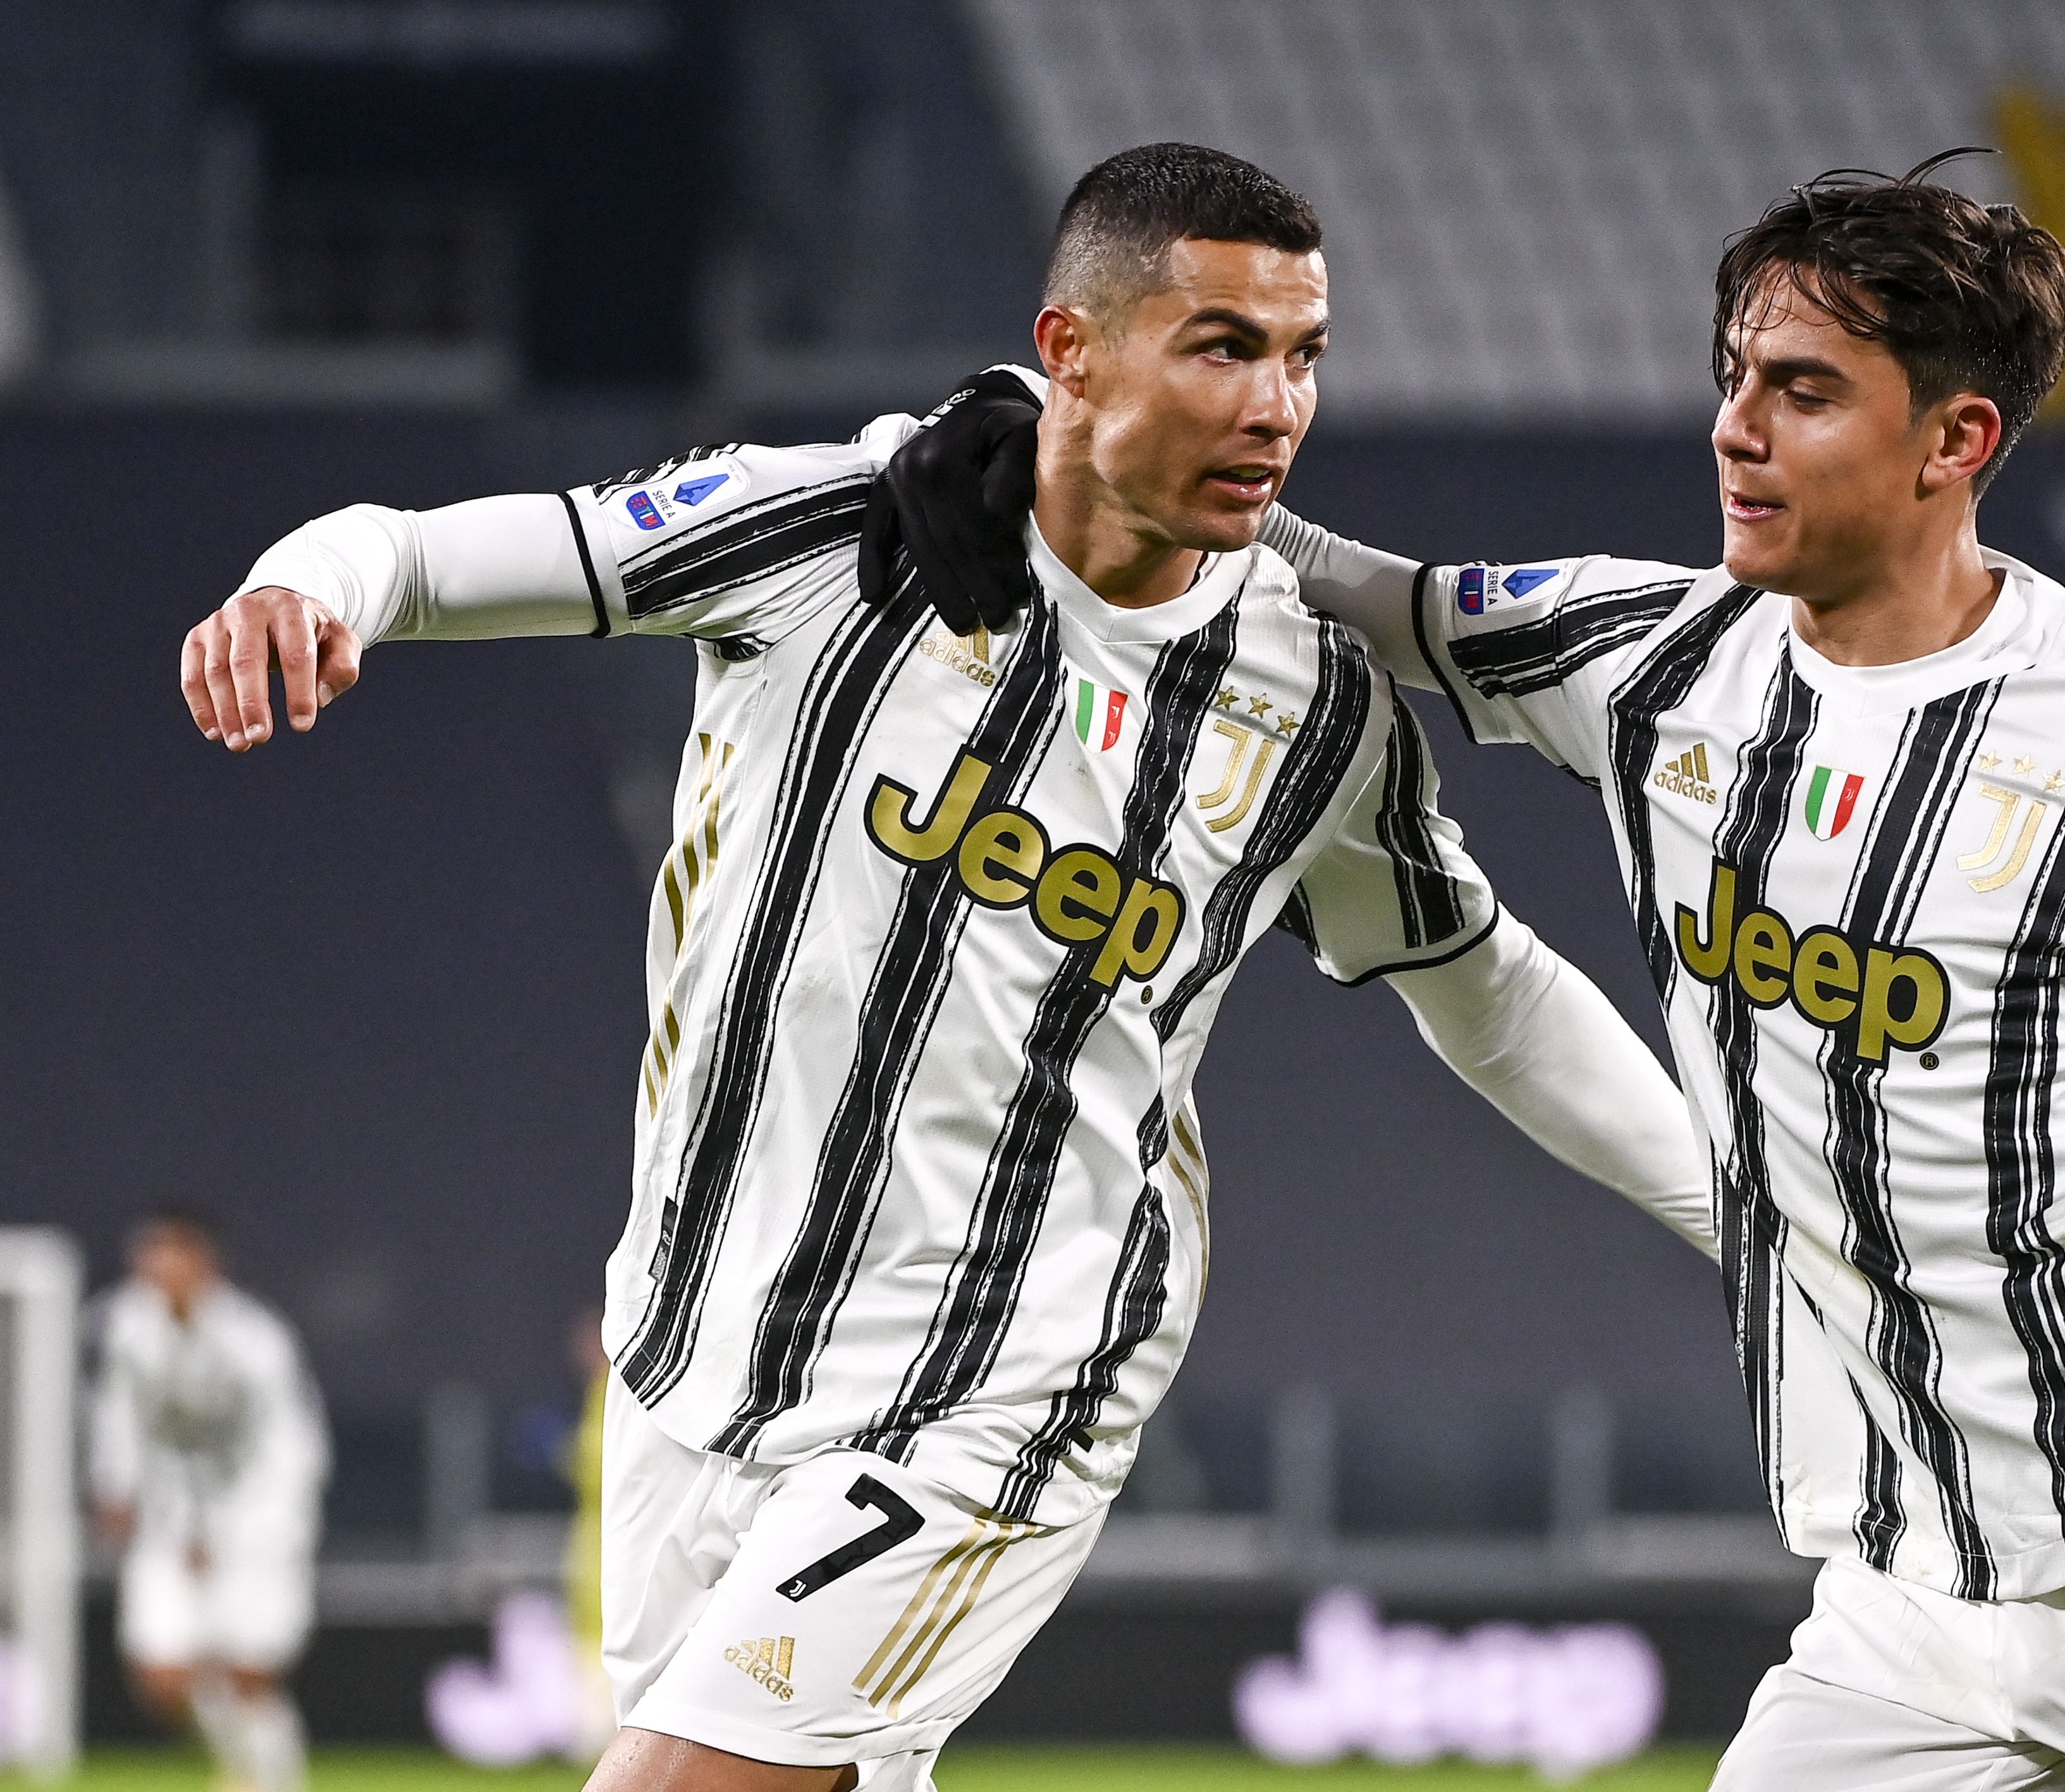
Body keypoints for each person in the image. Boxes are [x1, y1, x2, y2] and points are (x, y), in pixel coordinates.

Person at [890, 156, 2065, 1790]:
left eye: (1802, 391)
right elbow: (1356, 591)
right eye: (1732, 376)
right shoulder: (1655, 660)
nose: (1734, 428)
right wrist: (1047, 416)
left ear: (1954, 441)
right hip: (1912, 1586)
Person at [177, 143, 1709, 1792]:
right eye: (1220, 346)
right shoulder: (838, 537)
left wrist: (1742, 1213)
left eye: (1303, 355)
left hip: (1004, 1377)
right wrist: (304, 585)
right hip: (697, 1341)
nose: (1275, 406)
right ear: (1069, 352)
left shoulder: (1307, 698)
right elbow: (424, 554)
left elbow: (1485, 985)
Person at [90, 1209, 328, 1792]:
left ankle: (273, 1779)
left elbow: (292, 1440)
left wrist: (241, 1529)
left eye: (170, 1251)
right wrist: (114, 1486)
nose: (155, 1266)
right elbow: (116, 1417)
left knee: (249, 1669)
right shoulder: (126, 1329)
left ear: (204, 1260)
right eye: (149, 1252)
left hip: (259, 1519)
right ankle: (246, 1766)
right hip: (169, 1518)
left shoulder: (255, 1339)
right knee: (162, 1678)